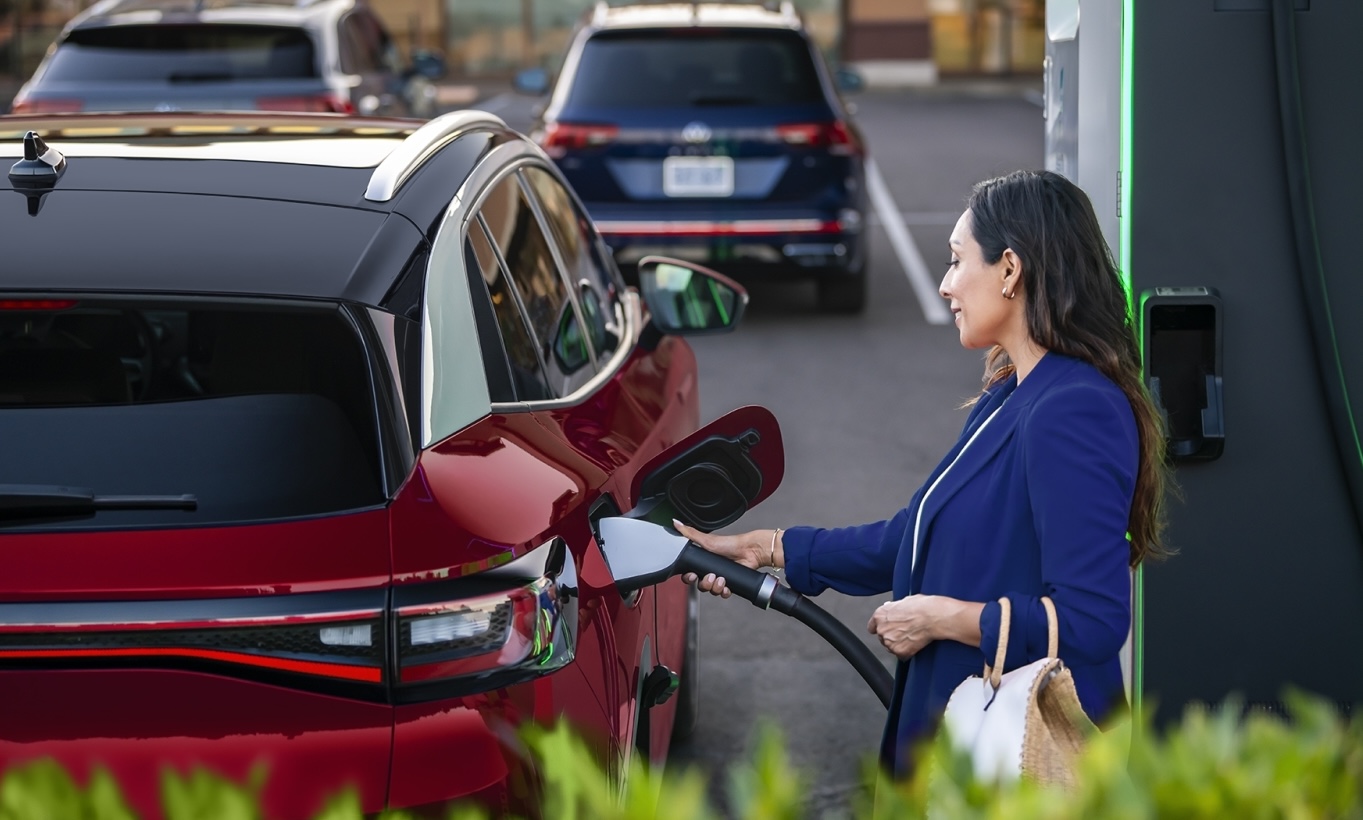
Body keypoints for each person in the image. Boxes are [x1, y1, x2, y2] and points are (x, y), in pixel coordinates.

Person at [675, 169, 1172, 774]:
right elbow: (913, 537)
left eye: (958, 260)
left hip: (1019, 765)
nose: (944, 284)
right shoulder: (1012, 394)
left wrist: (944, 619)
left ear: (1010, 270)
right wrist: (766, 548)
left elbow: (1092, 620)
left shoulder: (1073, 408)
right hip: (975, 745)